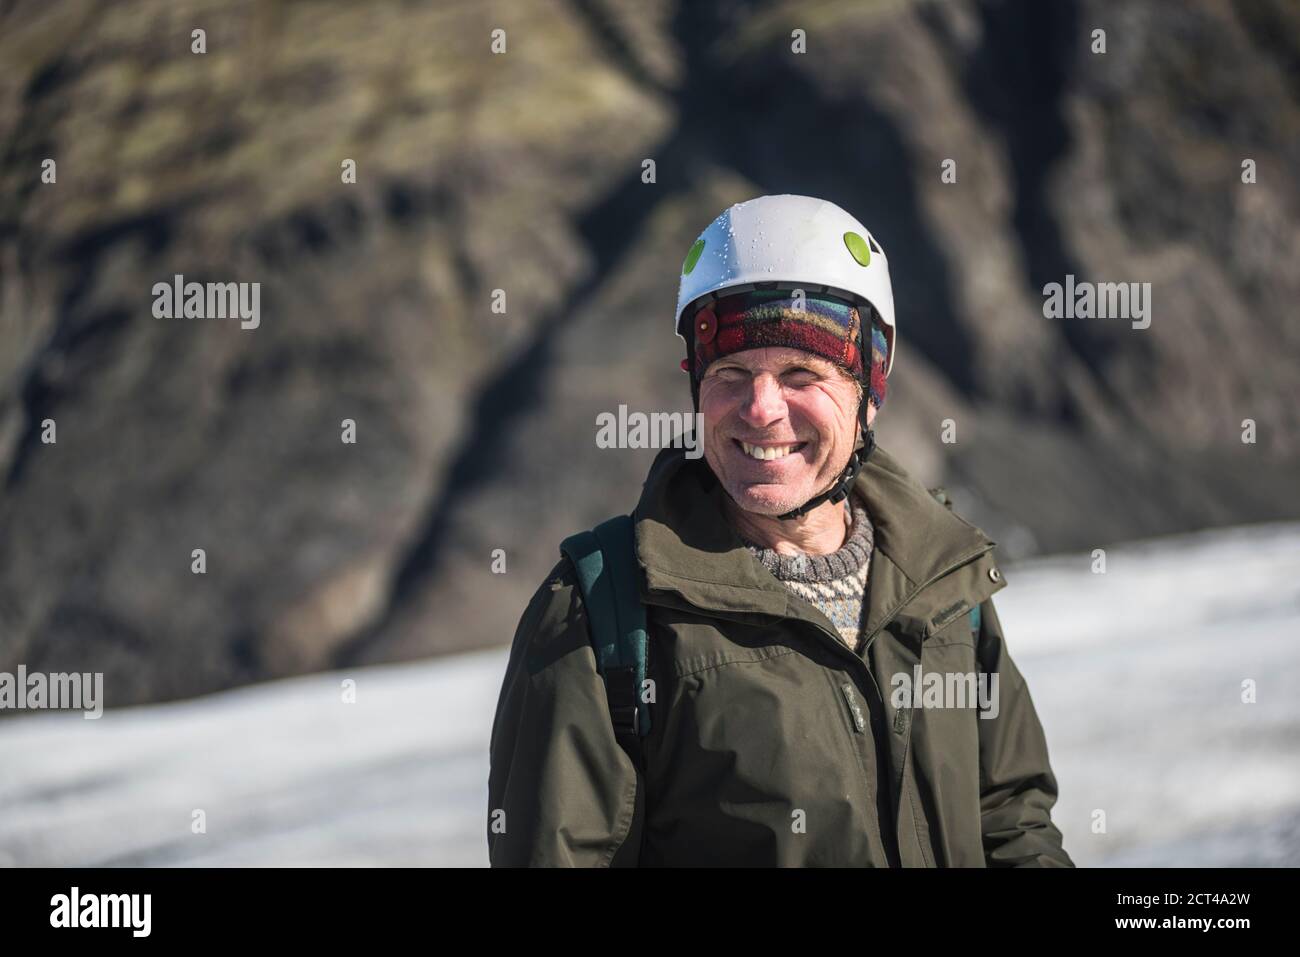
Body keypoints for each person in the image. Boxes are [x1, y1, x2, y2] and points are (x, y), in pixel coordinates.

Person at [488, 194, 1073, 867]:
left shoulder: (941, 584)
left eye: (802, 373)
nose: (761, 409)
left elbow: (1012, 818)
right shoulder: (601, 616)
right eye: (731, 372)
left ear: (869, 392)